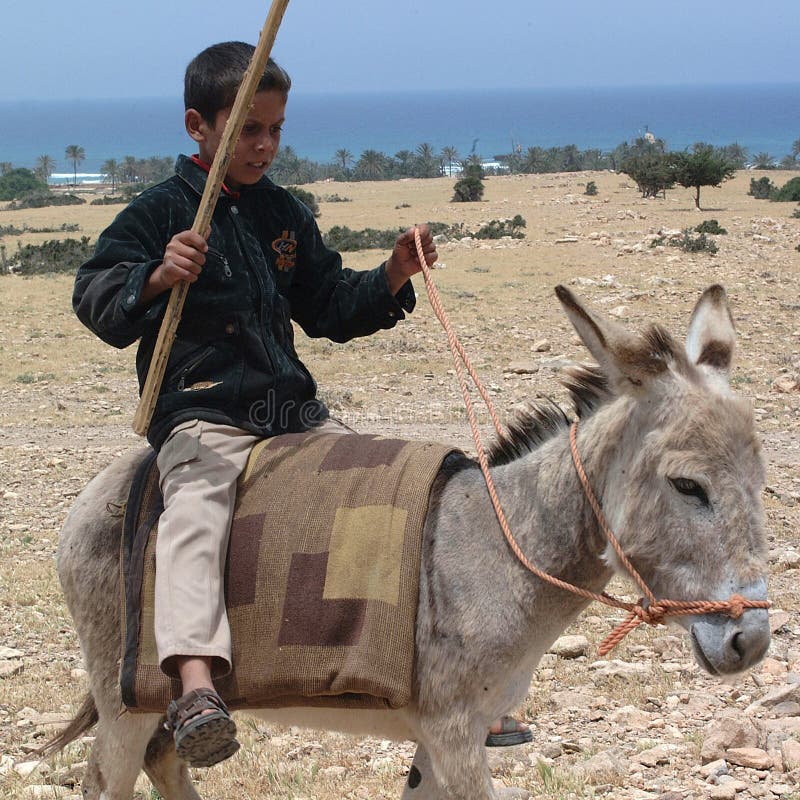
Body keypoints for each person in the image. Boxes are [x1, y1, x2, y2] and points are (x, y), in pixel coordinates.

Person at [73, 40, 527, 768]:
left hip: (292, 415)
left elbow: (326, 303)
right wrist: (155, 276)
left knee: (387, 495)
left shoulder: (283, 212)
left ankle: (433, 681)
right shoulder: (156, 211)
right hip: (203, 412)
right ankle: (194, 685)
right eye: (249, 129)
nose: (266, 145)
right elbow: (93, 297)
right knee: (195, 511)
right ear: (199, 125)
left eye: (277, 128)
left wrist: (390, 274)